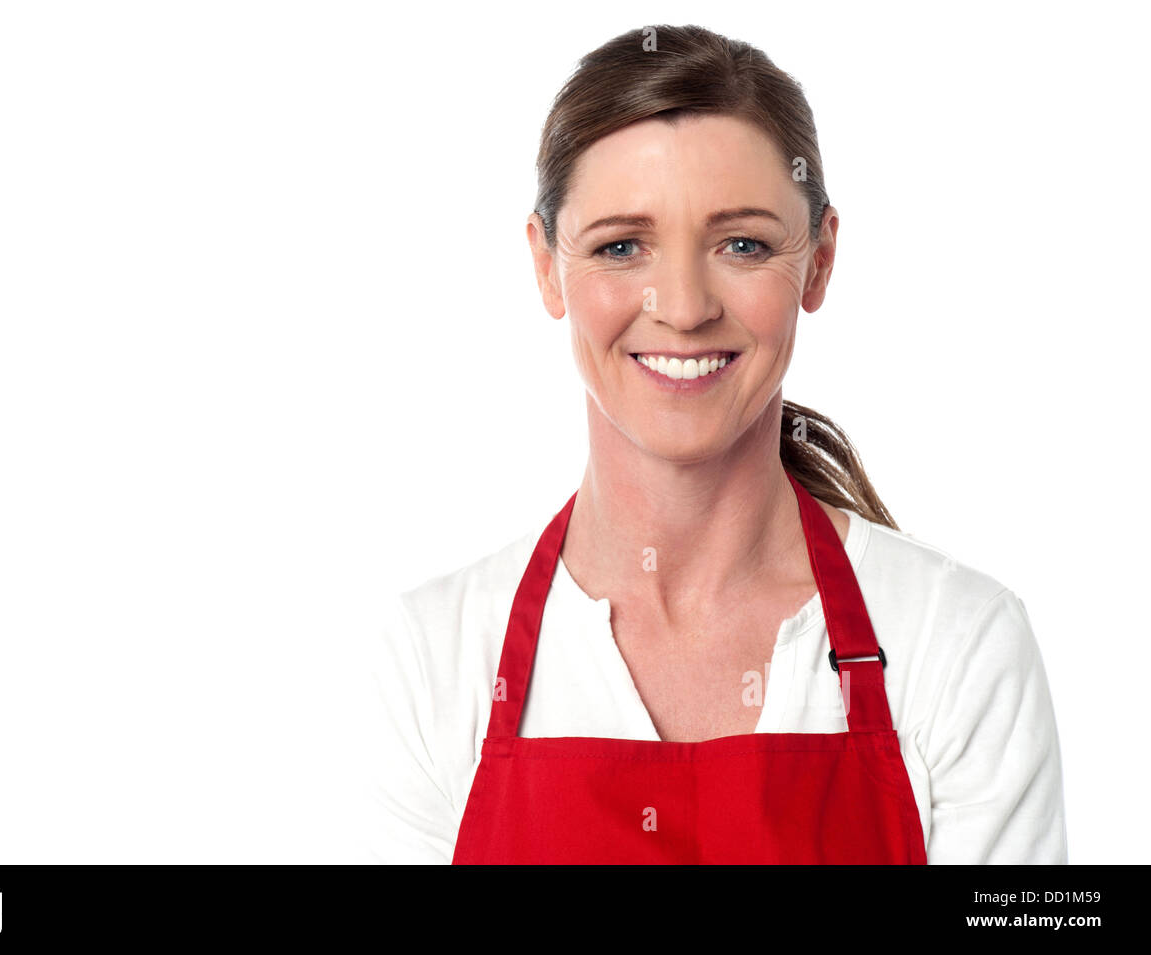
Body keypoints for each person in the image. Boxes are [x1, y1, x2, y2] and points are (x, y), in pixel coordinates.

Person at [367, 24, 1066, 864]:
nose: (685, 304)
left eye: (743, 244)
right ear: (547, 266)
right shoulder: (432, 659)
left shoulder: (962, 644)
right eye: (622, 245)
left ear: (819, 260)